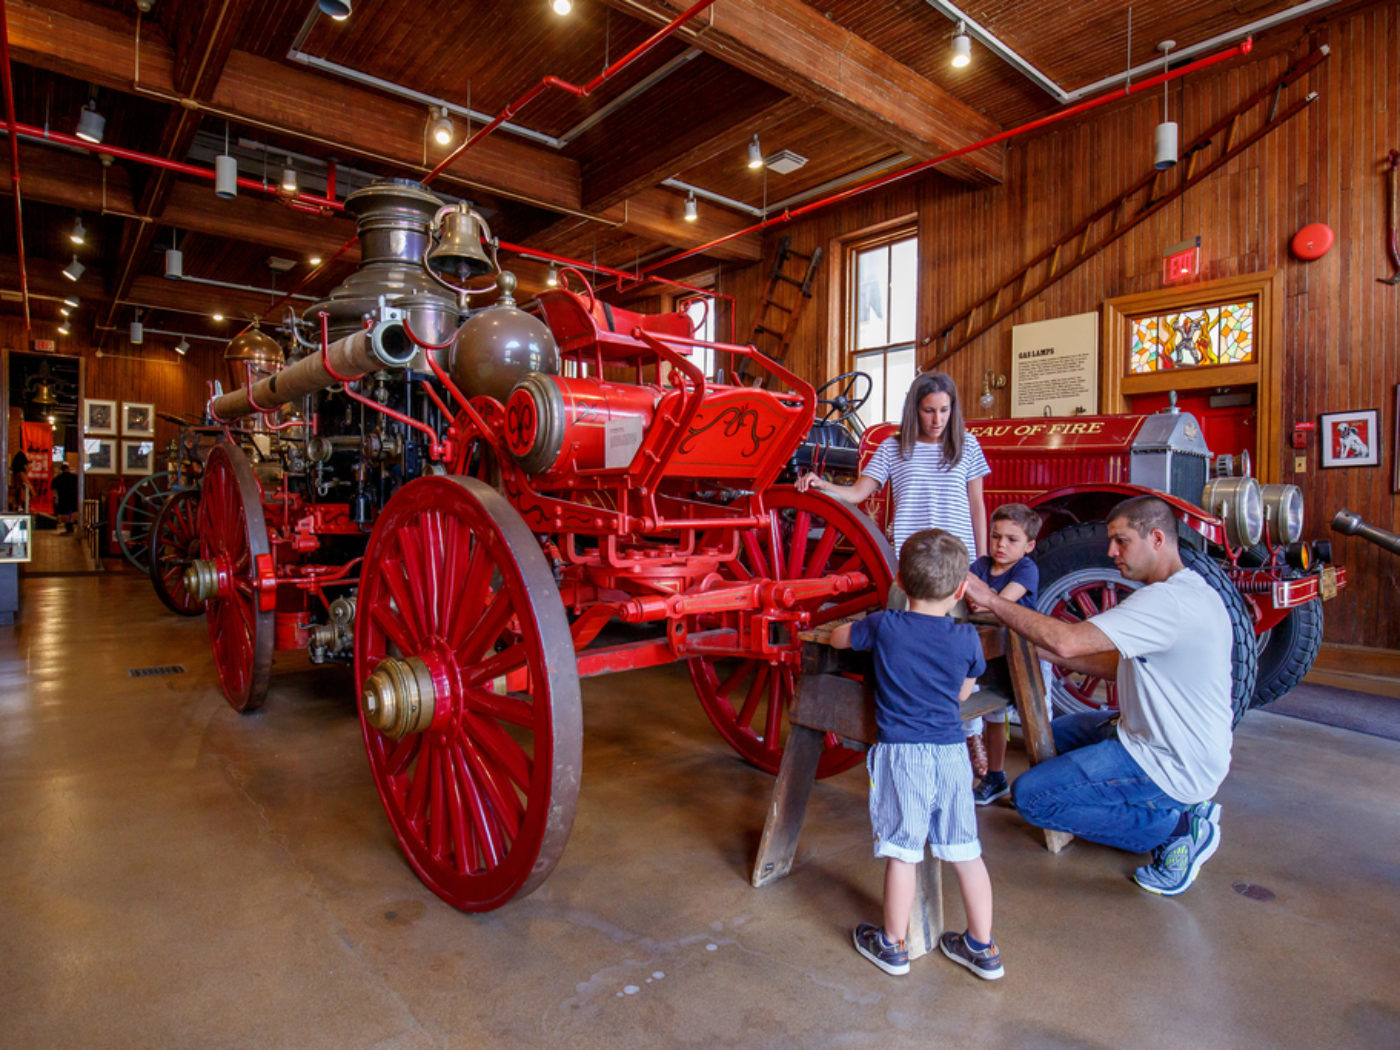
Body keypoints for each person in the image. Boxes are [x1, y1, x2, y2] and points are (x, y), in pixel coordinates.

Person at [962, 495, 1232, 896]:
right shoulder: (1191, 590)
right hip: (1156, 737)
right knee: (1056, 734)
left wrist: (991, 601)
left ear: (1157, 538)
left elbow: (1069, 643)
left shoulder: (1166, 602)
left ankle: (1176, 829)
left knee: (1033, 798)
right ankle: (1180, 804)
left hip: (1168, 758)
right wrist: (1030, 645)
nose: (1111, 552)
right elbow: (1110, 662)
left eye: (1121, 541)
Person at [831, 528, 1003, 981]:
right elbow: (964, 690)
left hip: (902, 755)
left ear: (901, 584)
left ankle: (892, 944)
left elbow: (839, 640)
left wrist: (843, 630)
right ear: (961, 589)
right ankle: (982, 948)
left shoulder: (884, 625)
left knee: (904, 851)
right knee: (966, 851)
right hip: (950, 754)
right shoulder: (966, 639)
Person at [797, 371, 990, 560]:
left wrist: (982, 558)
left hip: (959, 556)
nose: (937, 420)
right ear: (915, 409)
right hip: (915, 557)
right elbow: (857, 493)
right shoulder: (892, 448)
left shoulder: (968, 445)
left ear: (952, 409)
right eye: (929, 411)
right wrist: (822, 484)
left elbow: (976, 506)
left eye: (944, 410)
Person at [962, 502, 1041, 805]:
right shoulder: (981, 565)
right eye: (996, 537)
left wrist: (981, 596)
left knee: (1028, 715)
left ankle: (1039, 783)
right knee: (989, 713)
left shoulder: (1026, 569)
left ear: (1029, 545)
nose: (1001, 545)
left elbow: (995, 605)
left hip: (1022, 655)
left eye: (1012, 539)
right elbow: (972, 600)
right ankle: (994, 776)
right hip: (988, 652)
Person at [52, 462, 79, 533]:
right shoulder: (74, 477)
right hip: (73, 497)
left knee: (64, 512)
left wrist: (56, 499)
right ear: (68, 468)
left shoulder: (58, 478)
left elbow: (54, 489)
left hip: (62, 498)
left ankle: (68, 524)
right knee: (73, 511)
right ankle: (71, 522)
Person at [9, 448, 31, 513]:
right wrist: (33, 493)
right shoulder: (21, 474)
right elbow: (29, 487)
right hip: (22, 502)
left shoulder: (15, 475)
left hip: (18, 501)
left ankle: (19, 506)